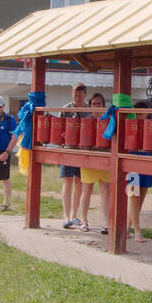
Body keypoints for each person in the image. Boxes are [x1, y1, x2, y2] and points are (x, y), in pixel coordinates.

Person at [76, 93, 111, 232]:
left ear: (104, 106)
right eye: (94, 104)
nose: (97, 106)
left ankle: (106, 223)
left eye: (99, 104)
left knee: (106, 190)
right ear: (90, 106)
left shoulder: (109, 121)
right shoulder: (86, 121)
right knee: (86, 189)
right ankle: (84, 220)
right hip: (89, 159)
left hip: (105, 159)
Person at [125, 101, 152, 242]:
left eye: (143, 111)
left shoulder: (151, 126)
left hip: (146, 161)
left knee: (141, 198)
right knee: (133, 196)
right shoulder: (130, 125)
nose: (140, 114)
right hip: (133, 161)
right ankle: (137, 231)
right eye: (138, 112)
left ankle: (127, 226)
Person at [60, 83, 88, 229]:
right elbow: (59, 128)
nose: (78, 98)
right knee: (67, 181)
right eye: (76, 95)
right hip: (69, 150)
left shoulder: (89, 110)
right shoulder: (66, 109)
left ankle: (74, 214)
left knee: (79, 182)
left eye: (80, 95)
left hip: (83, 151)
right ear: (72, 94)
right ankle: (65, 216)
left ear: (85, 95)